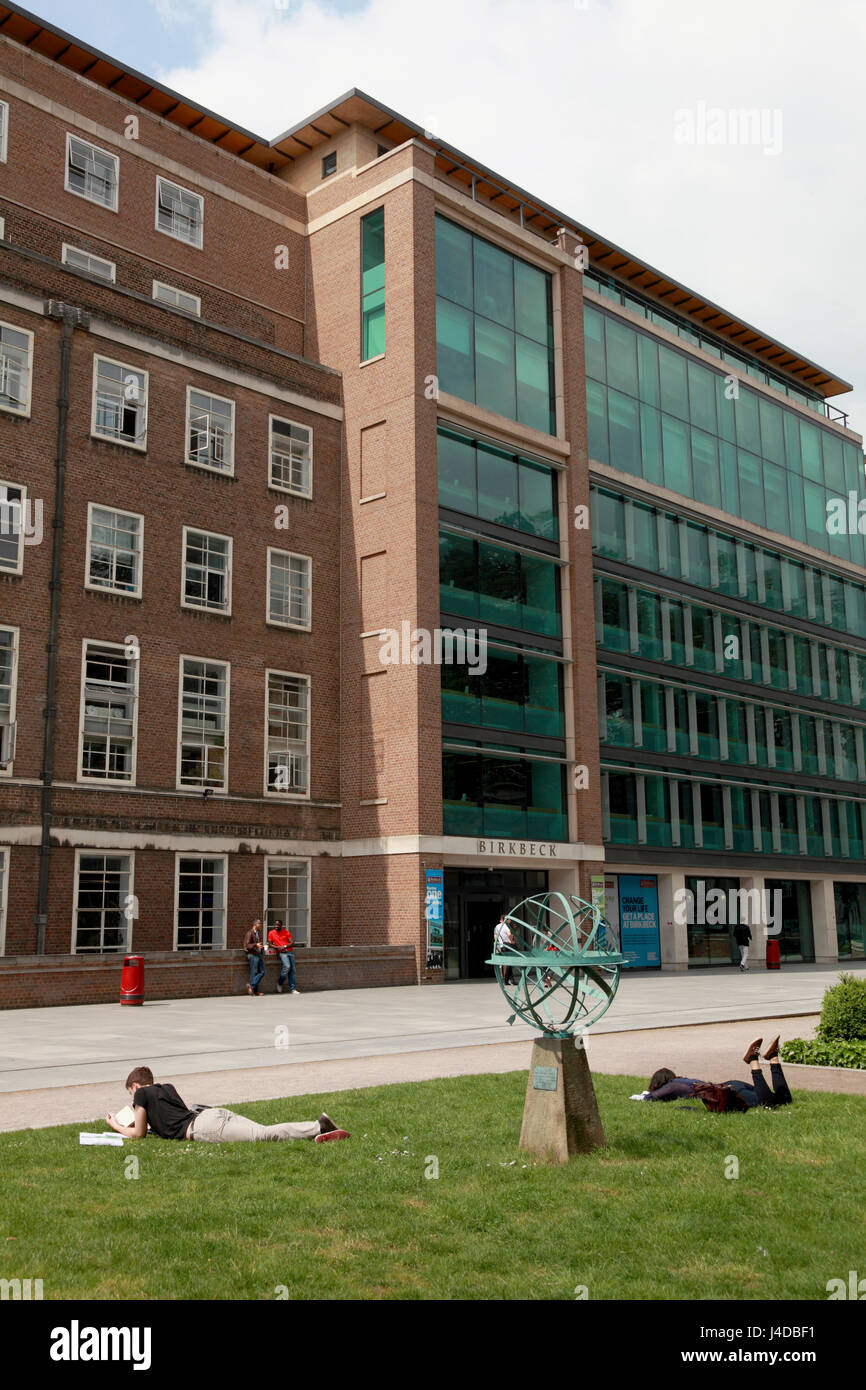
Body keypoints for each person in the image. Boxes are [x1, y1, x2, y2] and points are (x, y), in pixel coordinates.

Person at [105, 1066, 349, 1143]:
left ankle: (318, 1127)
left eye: (131, 1094)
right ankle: (319, 1129)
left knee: (262, 1135)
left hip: (205, 1127)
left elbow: (137, 1134)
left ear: (135, 1086)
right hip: (212, 1114)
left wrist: (116, 1125)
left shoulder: (141, 1095)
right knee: (261, 1130)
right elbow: (169, 1118)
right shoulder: (166, 1088)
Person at [630, 1036, 792, 1109]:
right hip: (731, 1086)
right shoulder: (684, 1081)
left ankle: (753, 1060)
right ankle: (773, 1058)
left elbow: (651, 1097)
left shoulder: (672, 1085)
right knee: (783, 1100)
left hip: (729, 1091)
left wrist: (646, 1095)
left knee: (767, 1103)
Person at [267, 918, 299, 995]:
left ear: (281, 925)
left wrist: (284, 946)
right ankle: (280, 983)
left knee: (292, 970)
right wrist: (278, 948)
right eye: (275, 925)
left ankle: (293, 989)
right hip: (282, 952)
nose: (276, 926)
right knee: (287, 966)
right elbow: (270, 944)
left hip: (289, 951)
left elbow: (292, 942)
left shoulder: (286, 932)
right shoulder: (271, 933)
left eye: (278, 925)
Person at [493, 913, 516, 986]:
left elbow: (495, 936)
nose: (510, 920)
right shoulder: (506, 926)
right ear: (506, 919)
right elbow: (509, 935)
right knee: (509, 963)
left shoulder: (497, 926)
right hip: (507, 945)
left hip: (500, 945)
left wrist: (499, 943)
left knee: (504, 962)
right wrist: (512, 941)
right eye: (509, 919)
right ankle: (506, 979)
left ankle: (508, 979)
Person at [244, 918, 266, 997]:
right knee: (254, 973)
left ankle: (251, 986)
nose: (260, 925)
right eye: (259, 923)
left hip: (258, 954)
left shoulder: (257, 933)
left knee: (262, 972)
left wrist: (262, 947)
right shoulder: (250, 933)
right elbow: (247, 945)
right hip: (253, 955)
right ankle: (254, 990)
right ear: (255, 924)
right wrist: (256, 945)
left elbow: (257, 944)